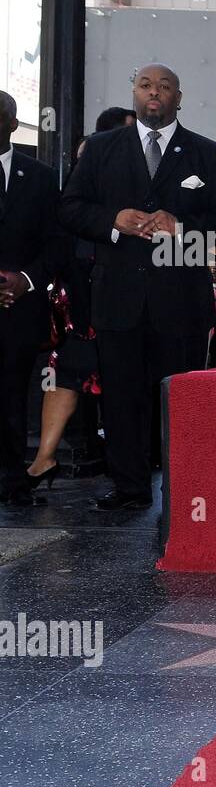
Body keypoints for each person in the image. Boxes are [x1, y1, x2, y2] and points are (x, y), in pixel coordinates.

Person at [60, 65, 216, 511]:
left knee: (179, 402)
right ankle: (129, 489)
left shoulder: (207, 154)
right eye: (145, 85)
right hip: (117, 299)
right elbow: (69, 209)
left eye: (164, 86)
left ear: (178, 97)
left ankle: (183, 492)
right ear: (135, 93)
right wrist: (112, 222)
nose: (154, 93)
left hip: (180, 303)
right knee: (121, 398)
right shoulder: (102, 150)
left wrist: (183, 227)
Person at [26, 109, 137, 493]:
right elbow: (72, 218)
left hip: (109, 282)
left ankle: (50, 459)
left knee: (82, 373)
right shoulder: (98, 157)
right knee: (73, 370)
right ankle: (46, 458)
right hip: (90, 280)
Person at [0, 91, 64, 506]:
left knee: (12, 395)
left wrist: (25, 280)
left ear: (11, 122)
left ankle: (11, 478)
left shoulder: (39, 177)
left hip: (19, 308)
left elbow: (57, 243)